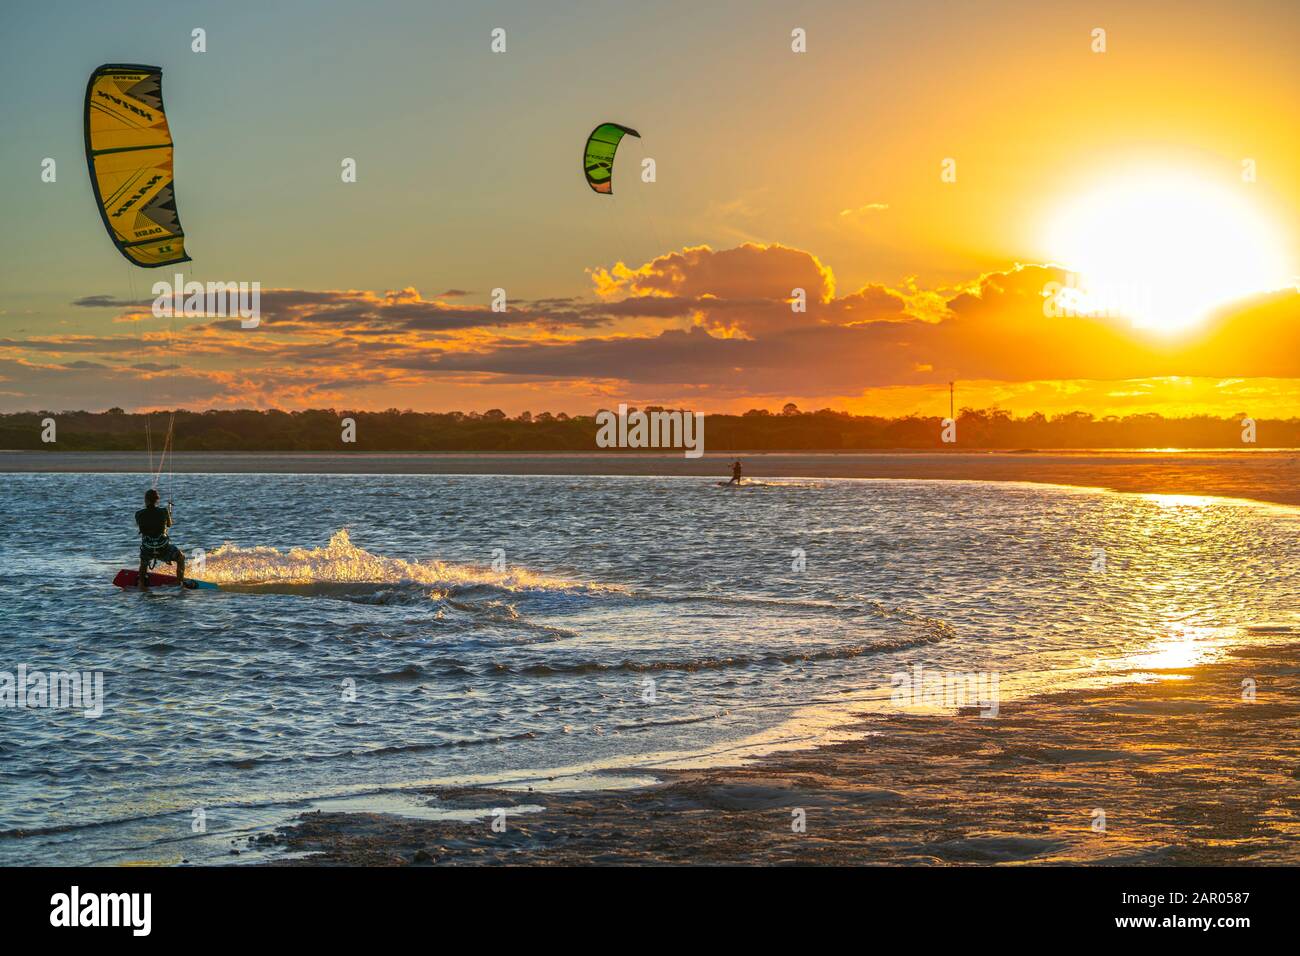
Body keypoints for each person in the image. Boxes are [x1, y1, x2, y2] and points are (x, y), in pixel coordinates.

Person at [136, 488, 185, 588]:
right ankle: (179, 582)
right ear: (157, 500)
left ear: (146, 500)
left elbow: (142, 526)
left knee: (143, 562)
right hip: (163, 548)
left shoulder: (139, 514)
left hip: (148, 548)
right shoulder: (163, 511)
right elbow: (169, 525)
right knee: (181, 558)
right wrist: (168, 514)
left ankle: (141, 583)